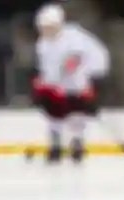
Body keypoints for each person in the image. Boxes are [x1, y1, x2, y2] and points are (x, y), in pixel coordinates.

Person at [32, 3, 109, 164]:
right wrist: (45, 82)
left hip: (79, 80)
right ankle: (55, 145)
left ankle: (77, 143)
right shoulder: (42, 44)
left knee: (76, 114)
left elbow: (73, 61)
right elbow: (45, 67)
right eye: (43, 27)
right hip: (56, 84)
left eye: (49, 27)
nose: (46, 30)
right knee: (54, 114)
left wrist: (63, 78)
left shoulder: (73, 36)